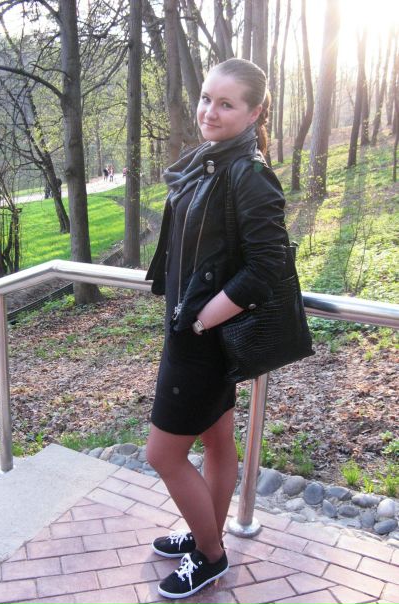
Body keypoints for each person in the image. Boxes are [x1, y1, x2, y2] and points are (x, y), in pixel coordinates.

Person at [145, 58, 288, 599]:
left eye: (226, 104)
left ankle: (210, 554)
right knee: (217, 439)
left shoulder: (247, 173)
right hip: (196, 331)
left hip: (202, 337)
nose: (209, 111)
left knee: (162, 454)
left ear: (253, 113)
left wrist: (203, 320)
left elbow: (267, 266)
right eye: (207, 98)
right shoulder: (209, 162)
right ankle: (205, 529)